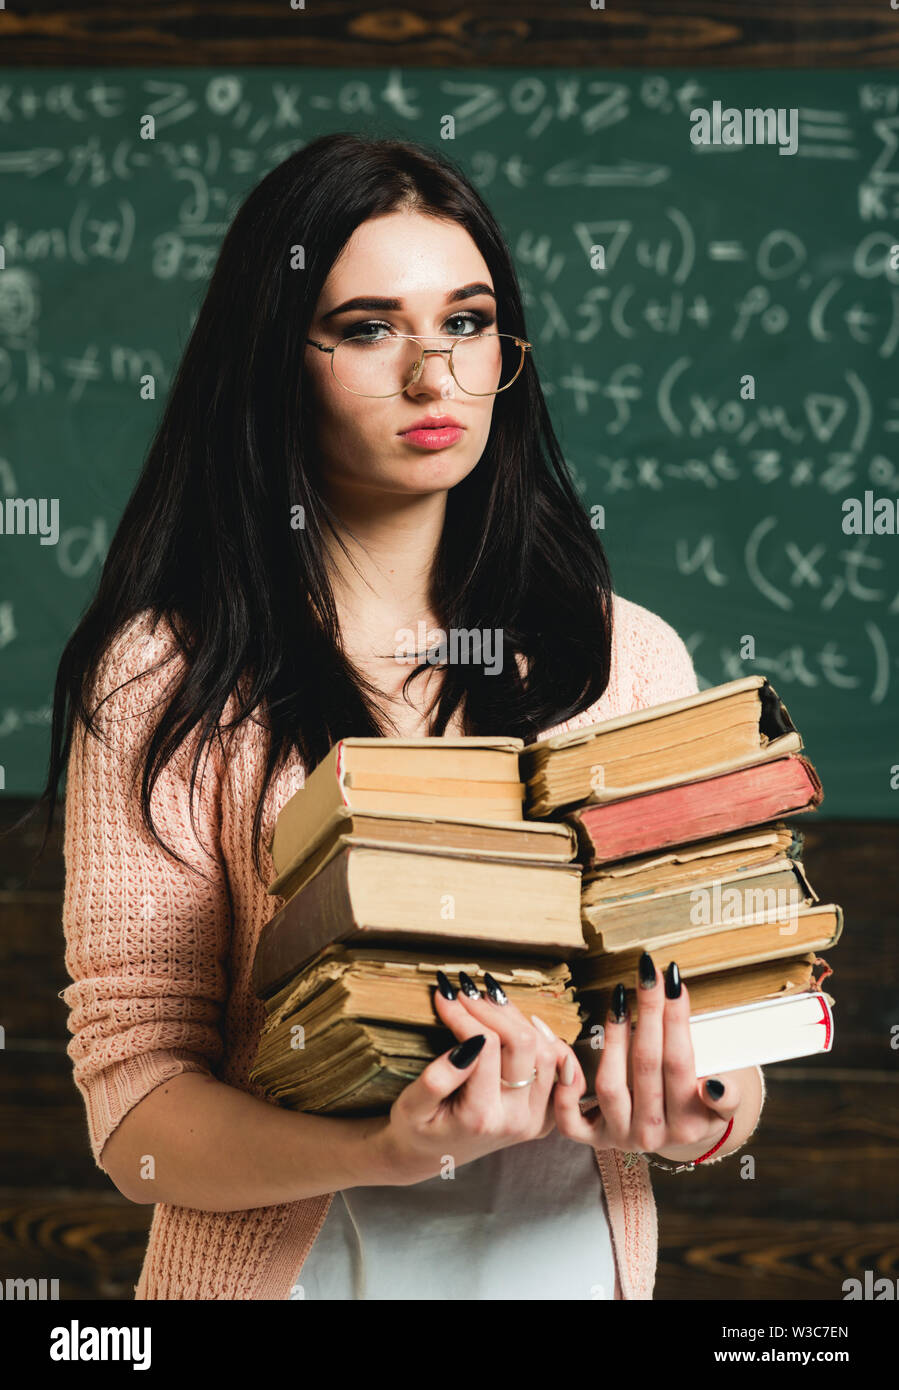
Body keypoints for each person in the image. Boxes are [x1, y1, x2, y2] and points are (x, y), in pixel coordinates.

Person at [41, 133, 765, 1301]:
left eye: (467, 323)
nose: (435, 378)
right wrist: (385, 1150)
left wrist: (697, 1112)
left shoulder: (628, 658)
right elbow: (136, 1117)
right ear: (279, 357)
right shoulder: (166, 676)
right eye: (370, 328)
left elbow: (720, 1036)